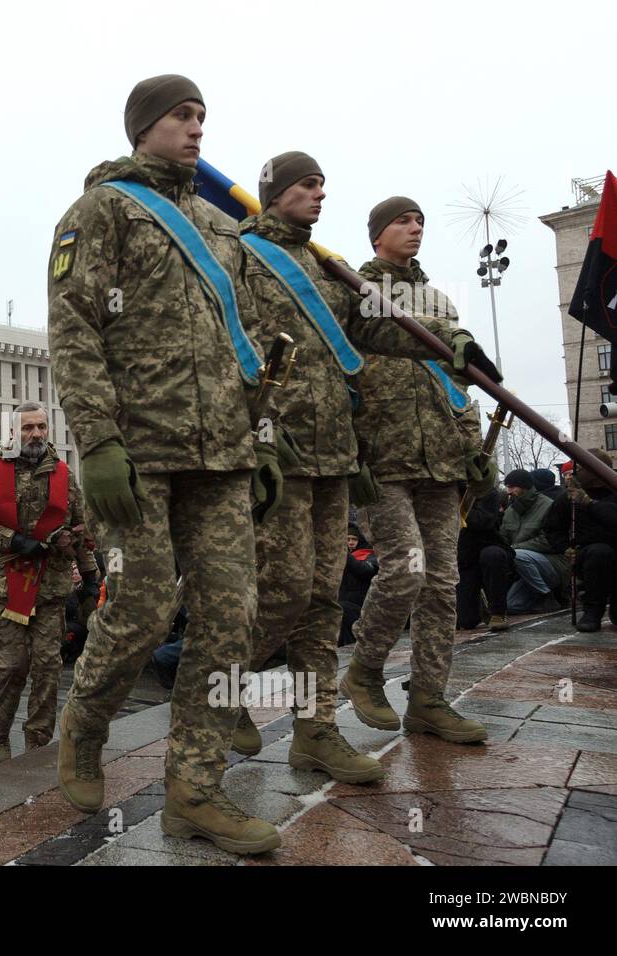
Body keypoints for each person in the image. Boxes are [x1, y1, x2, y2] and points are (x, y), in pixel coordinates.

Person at [45, 74, 283, 854]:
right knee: (143, 610)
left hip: (222, 452)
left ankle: (196, 789)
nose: (197, 129)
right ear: (143, 127)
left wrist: (264, 440)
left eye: (203, 117)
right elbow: (75, 328)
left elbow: (251, 346)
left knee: (229, 618)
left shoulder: (220, 231)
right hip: (138, 451)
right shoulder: (101, 211)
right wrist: (99, 441)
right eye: (182, 116)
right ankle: (84, 721)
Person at [236, 154, 496, 782]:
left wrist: (468, 424)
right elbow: (239, 349)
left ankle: (350, 719)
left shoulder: (343, 278)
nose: (320, 194)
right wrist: (262, 436)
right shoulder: (246, 256)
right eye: (307, 184)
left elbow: (402, 354)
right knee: (292, 590)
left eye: (325, 185)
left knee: (400, 589)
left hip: (383, 459)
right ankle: (224, 688)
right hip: (344, 456)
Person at [340, 197, 493, 743]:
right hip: (381, 455)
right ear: (378, 232)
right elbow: (341, 376)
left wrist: (474, 448)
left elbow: (456, 381)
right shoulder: (354, 289)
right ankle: (364, 669)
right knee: (405, 569)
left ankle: (429, 697)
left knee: (443, 585)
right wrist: (349, 451)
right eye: (403, 220)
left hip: (441, 455)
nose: (415, 228)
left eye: (420, 221)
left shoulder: (438, 300)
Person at [0, 402, 97, 761]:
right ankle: (0, 734)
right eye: (27, 428)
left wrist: (91, 579)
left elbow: (81, 531)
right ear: (13, 432)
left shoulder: (65, 476)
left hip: (51, 589)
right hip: (6, 589)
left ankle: (38, 740)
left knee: (49, 668)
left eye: (41, 427)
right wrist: (15, 540)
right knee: (11, 667)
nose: (35, 434)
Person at [546, 448, 617, 631]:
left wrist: (590, 504)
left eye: (581, 469)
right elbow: (552, 528)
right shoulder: (568, 497)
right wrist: (565, 548)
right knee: (600, 552)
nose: (575, 473)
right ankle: (592, 610)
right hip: (591, 555)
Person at [487, 469, 569, 615]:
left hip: (553, 563)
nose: (509, 491)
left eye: (512, 487)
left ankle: (547, 596)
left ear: (525, 486)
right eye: (507, 487)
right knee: (510, 606)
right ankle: (544, 597)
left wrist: (513, 549)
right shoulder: (510, 512)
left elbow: (548, 540)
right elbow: (503, 539)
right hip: (526, 567)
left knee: (517, 555)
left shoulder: (548, 506)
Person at [457, 485, 504, 629]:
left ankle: (499, 612)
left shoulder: (486, 491)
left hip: (487, 548)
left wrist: (455, 509)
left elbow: (484, 521)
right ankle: (480, 606)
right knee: (465, 621)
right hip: (464, 558)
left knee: (492, 556)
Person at [338, 525, 377, 647]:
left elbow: (363, 570)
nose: (350, 543)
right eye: (347, 539)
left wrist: (343, 553)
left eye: (353, 539)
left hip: (360, 609)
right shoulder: (340, 559)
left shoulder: (371, 557)